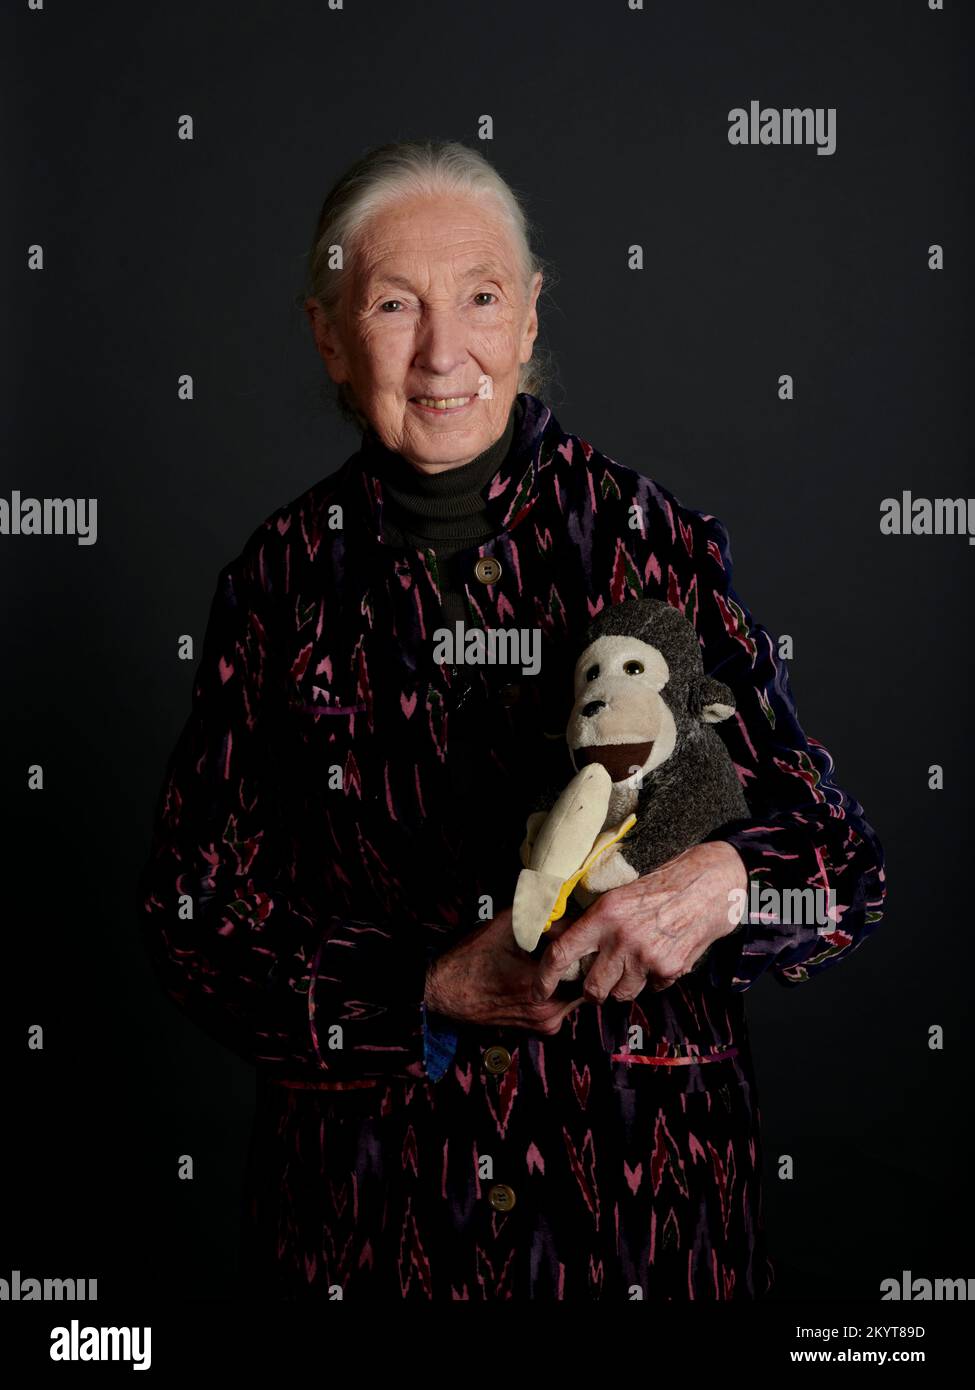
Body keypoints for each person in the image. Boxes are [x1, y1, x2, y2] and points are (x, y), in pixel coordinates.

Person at [138, 139, 887, 1300]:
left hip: (642, 1220)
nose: (445, 352)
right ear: (331, 336)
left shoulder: (651, 538)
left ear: (529, 318)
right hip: (369, 1225)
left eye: (481, 297)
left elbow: (841, 860)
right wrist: (423, 987)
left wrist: (719, 885)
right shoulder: (277, 583)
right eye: (394, 304)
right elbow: (190, 917)